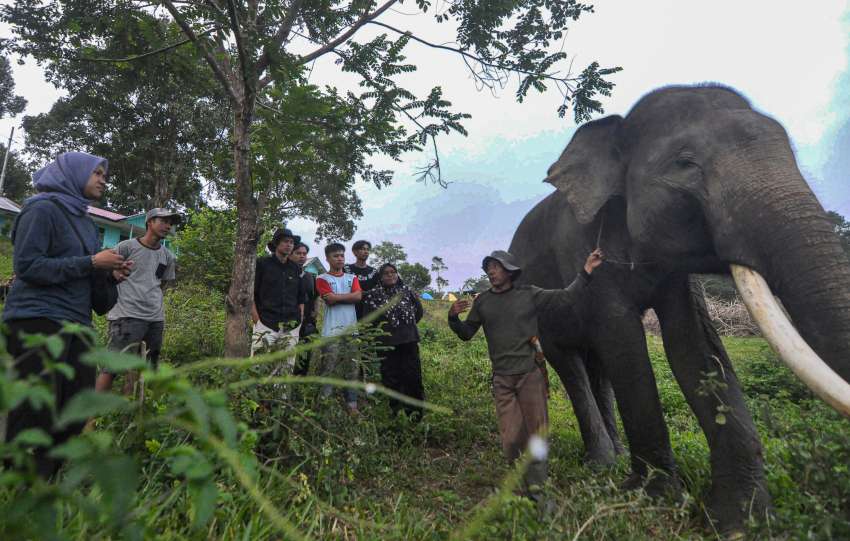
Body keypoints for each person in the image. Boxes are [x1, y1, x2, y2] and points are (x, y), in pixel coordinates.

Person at [2, 152, 131, 478]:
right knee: (35, 411)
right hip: (37, 320)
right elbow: (28, 266)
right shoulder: (42, 208)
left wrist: (110, 277)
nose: (103, 178)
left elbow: (100, 303)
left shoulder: (86, 224)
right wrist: (91, 264)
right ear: (73, 174)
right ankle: (18, 486)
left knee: (74, 412)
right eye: (97, 172)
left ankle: (44, 485)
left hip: (77, 326)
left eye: (105, 173)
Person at [447, 248, 604, 505]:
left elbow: (565, 298)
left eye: (496, 266)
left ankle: (539, 494)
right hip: (502, 380)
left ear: (509, 270)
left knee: (536, 435)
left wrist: (586, 270)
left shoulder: (529, 294)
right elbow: (466, 333)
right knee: (511, 440)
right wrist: (453, 318)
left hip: (530, 375)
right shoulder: (483, 302)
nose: (491, 271)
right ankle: (520, 491)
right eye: (488, 267)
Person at [95, 208, 179, 395]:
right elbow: (105, 268)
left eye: (170, 223)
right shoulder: (126, 247)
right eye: (163, 221)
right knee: (112, 367)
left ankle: (129, 414)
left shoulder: (167, 256)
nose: (167, 226)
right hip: (126, 316)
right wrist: (114, 273)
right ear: (149, 222)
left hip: (155, 319)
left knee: (145, 367)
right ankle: (90, 420)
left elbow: (162, 283)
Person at [362, 263, 425, 419]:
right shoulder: (373, 295)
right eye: (386, 273)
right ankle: (396, 411)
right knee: (391, 377)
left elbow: (418, 312)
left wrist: (405, 327)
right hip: (386, 343)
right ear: (380, 277)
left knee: (413, 377)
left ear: (397, 275)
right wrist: (384, 331)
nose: (390, 275)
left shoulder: (406, 291)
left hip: (409, 340)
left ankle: (415, 413)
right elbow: (369, 319)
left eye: (393, 272)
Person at [252, 228, 306, 386]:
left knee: (285, 367)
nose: (289, 245)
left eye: (291, 242)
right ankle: (256, 404)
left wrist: (299, 319)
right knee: (258, 365)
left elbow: (300, 297)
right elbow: (251, 293)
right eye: (285, 242)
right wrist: (256, 320)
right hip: (266, 322)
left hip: (291, 324)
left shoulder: (295, 268)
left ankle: (280, 404)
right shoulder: (262, 264)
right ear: (276, 244)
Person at [315, 243, 362, 413]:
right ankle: (324, 405)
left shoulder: (352, 278)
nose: (340, 258)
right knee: (328, 368)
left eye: (342, 255)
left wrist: (338, 297)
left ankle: (352, 405)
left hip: (352, 332)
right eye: (335, 256)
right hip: (331, 332)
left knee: (352, 369)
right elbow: (329, 300)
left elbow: (358, 296)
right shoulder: (322, 278)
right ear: (327, 258)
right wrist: (349, 296)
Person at [289, 242, 319, 376]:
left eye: (304, 254)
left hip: (306, 322)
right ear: (290, 254)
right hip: (286, 322)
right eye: (298, 253)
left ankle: (299, 384)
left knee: (304, 355)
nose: (302, 256)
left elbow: (315, 297)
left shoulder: (310, 277)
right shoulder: (284, 274)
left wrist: (315, 314)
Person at [343, 239, 378, 319]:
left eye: (367, 249)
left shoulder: (374, 272)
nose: (366, 252)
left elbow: (377, 291)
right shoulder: (346, 269)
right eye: (362, 249)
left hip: (368, 311)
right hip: (349, 309)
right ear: (355, 252)